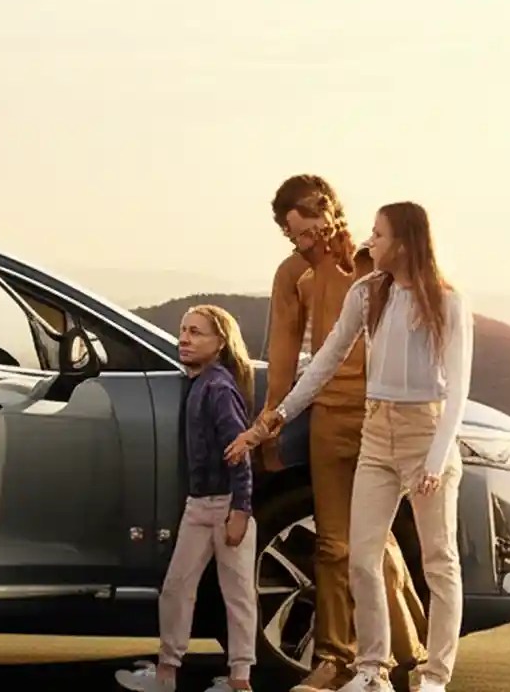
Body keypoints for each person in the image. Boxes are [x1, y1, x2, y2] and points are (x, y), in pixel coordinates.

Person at [227, 202, 472, 692]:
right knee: (360, 556)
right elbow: (324, 361)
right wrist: (278, 415)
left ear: (404, 242)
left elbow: (459, 386)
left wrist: (438, 456)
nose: (370, 242)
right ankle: (371, 669)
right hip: (377, 431)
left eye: (379, 235)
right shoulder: (367, 294)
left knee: (439, 560)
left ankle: (436, 676)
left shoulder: (446, 300)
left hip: (427, 430)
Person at [260, 176, 427, 692]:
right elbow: (285, 349)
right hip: (328, 415)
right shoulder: (292, 274)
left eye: (302, 231)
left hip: (383, 414)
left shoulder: (372, 260)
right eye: (292, 237)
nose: (299, 242)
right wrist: (272, 418)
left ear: (323, 209)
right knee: (334, 545)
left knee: (374, 545)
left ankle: (412, 656)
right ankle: (335, 658)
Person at [115, 305, 258, 692]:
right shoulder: (197, 384)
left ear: (220, 343)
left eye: (196, 333)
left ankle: (240, 679)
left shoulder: (218, 388)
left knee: (238, 593)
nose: (184, 339)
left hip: (225, 503)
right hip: (199, 506)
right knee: (177, 587)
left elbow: (238, 450)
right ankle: (166, 671)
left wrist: (241, 509)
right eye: (183, 331)